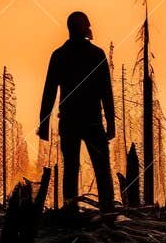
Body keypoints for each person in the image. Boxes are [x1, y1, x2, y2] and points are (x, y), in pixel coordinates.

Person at [38, 11, 116, 214]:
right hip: (90, 121)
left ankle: (73, 210)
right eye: (86, 25)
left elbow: (49, 92)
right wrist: (110, 123)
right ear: (80, 28)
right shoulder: (95, 54)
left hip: (72, 122)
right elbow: (105, 92)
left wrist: (44, 124)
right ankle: (105, 210)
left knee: (72, 169)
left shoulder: (60, 55)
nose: (90, 28)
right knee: (99, 169)